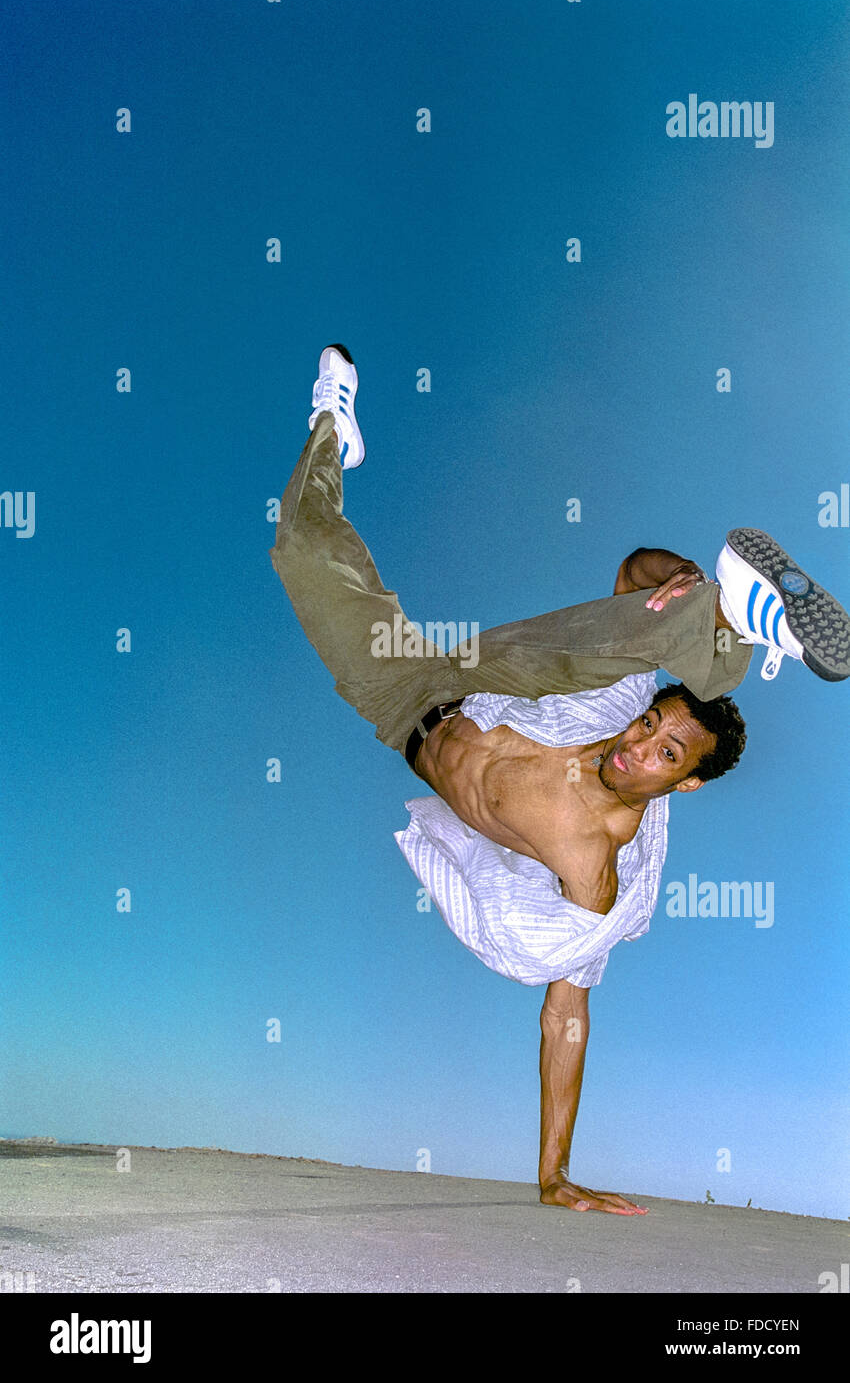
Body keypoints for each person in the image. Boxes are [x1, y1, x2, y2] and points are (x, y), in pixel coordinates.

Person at [269, 345, 850, 1215]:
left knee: (301, 553)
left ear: (683, 785)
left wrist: (553, 1173)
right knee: (637, 627)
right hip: (488, 675)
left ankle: (734, 630)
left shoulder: (601, 870)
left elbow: (565, 1016)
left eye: (663, 754)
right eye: (652, 724)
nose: (637, 745)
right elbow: (628, 578)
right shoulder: (609, 711)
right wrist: (675, 576)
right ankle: (719, 611)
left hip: (400, 705)